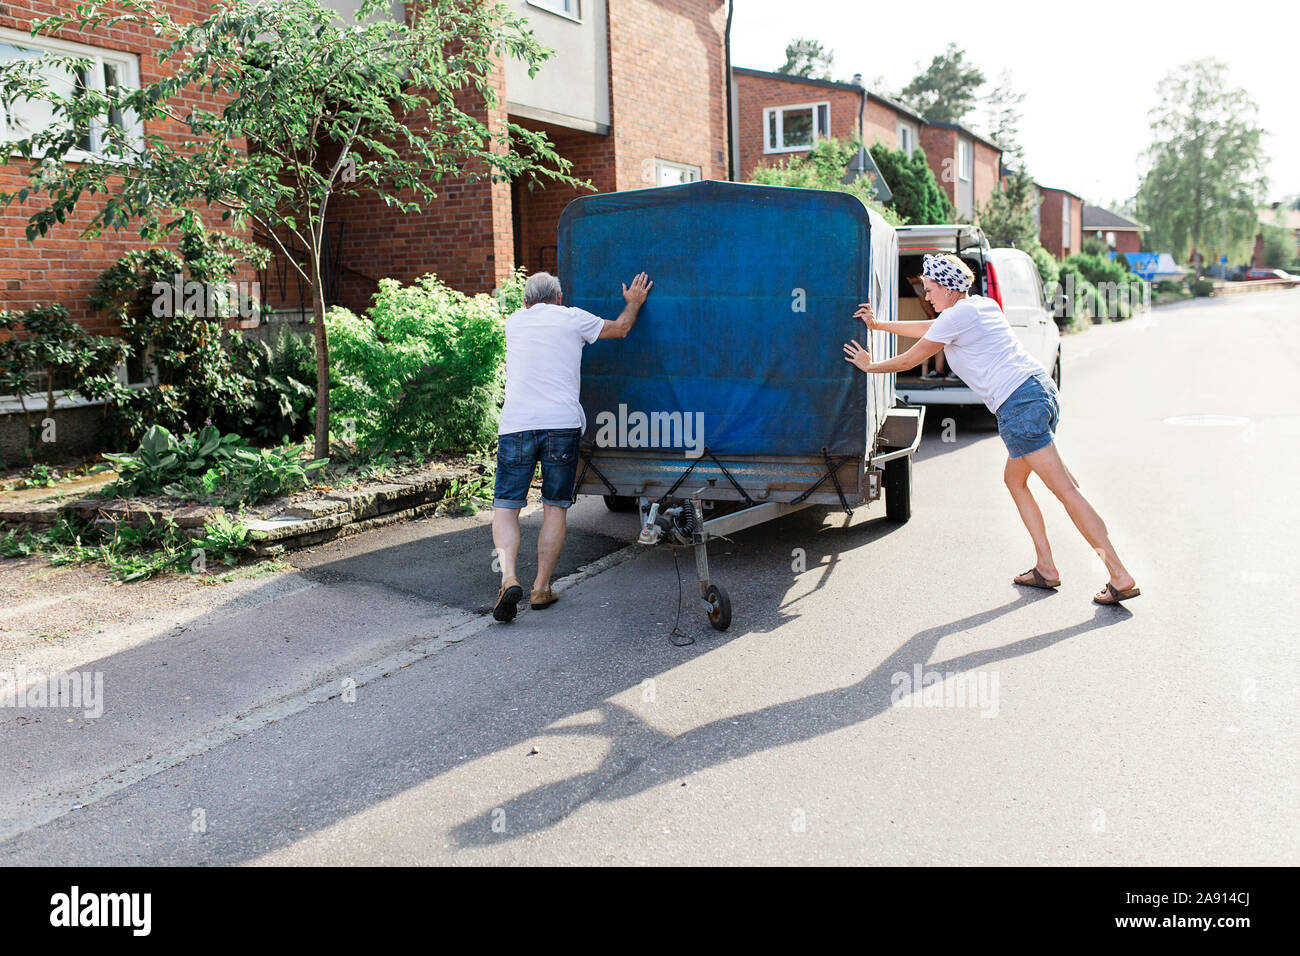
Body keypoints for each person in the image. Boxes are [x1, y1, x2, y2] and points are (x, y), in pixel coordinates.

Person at [842, 253, 1140, 605]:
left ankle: (1118, 575)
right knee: (1016, 480)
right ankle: (1046, 567)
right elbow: (932, 331)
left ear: (950, 289)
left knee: (1066, 491)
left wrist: (869, 366)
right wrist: (879, 326)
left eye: (930, 288)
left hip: (1018, 405)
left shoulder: (956, 316)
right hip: (1039, 390)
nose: (927, 296)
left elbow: (910, 359)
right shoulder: (982, 306)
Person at [491, 270, 653, 622]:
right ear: (559, 298)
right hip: (560, 425)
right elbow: (621, 328)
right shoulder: (573, 318)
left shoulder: (513, 323)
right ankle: (541, 587)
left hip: (516, 425)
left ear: (525, 302)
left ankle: (508, 578)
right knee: (554, 507)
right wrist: (634, 303)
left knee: (506, 507)